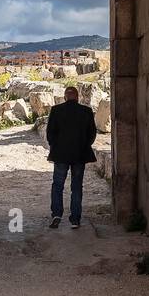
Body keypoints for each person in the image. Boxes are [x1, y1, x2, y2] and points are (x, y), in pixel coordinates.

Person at [46, 85, 96, 230]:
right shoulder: (86, 111)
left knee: (57, 185)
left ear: (65, 97)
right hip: (80, 154)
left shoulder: (56, 110)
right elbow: (92, 133)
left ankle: (56, 214)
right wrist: (84, 146)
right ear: (77, 96)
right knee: (76, 187)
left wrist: (55, 147)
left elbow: (50, 133)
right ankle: (75, 219)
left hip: (61, 154)